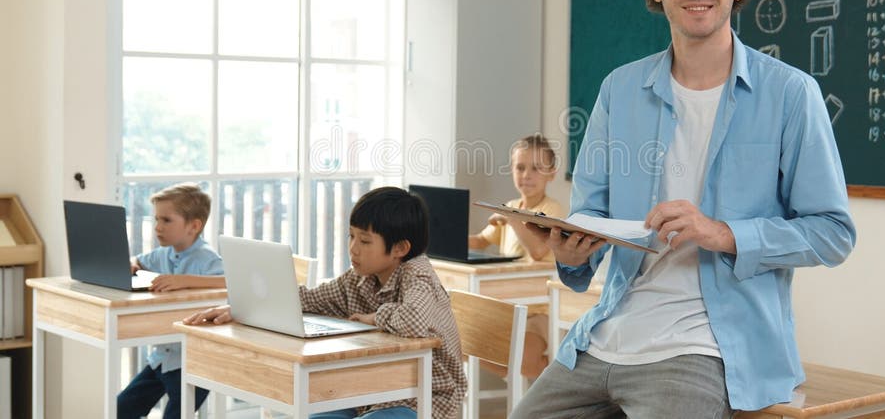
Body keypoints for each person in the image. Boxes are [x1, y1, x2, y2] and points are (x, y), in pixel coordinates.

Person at [510, 0, 856, 418]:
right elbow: (590, 219)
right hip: (604, 334)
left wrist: (724, 233)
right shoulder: (619, 90)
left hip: (706, 348)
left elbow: (832, 233)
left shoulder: (790, 94)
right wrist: (572, 254)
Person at [184, 186, 467, 419]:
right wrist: (242, 308)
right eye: (351, 236)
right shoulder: (357, 280)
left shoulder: (418, 274)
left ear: (400, 249)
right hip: (369, 392)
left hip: (425, 399)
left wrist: (374, 317)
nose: (353, 248)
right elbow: (310, 299)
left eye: (365, 241)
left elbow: (413, 321)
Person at [118, 183, 225, 419]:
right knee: (120, 409)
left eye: (166, 220)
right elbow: (139, 262)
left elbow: (230, 282)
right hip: (162, 358)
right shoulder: (163, 254)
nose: (157, 228)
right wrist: (132, 266)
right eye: (156, 219)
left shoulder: (206, 259)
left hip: (194, 362)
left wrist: (185, 280)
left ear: (194, 226)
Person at [469, 133, 563, 379]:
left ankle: (551, 374)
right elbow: (480, 241)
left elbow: (539, 250)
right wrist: (445, 236)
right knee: (463, 342)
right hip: (508, 309)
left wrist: (512, 218)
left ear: (551, 173)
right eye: (520, 168)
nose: (527, 175)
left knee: (525, 361)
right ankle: (524, 373)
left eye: (536, 168)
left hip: (540, 310)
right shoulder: (511, 206)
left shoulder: (551, 210)